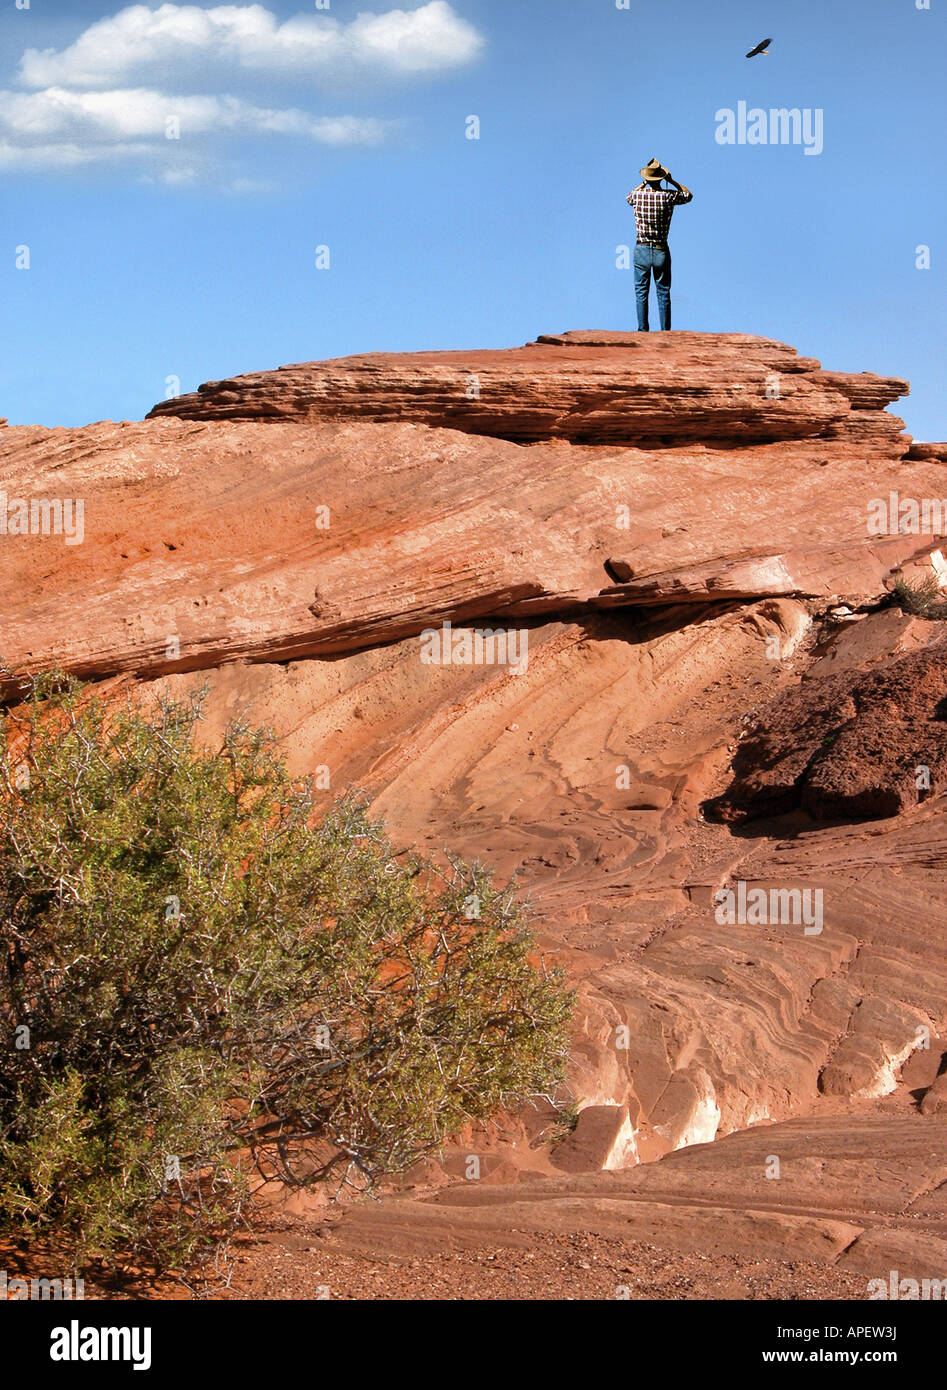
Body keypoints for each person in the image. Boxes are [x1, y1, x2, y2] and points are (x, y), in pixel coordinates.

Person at [626, 158, 693, 332]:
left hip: (641, 248)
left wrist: (643, 183)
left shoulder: (638, 195)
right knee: (663, 292)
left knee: (641, 292)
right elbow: (688, 195)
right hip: (661, 249)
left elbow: (628, 197)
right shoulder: (668, 196)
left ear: (647, 178)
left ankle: (642, 330)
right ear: (661, 178)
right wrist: (671, 180)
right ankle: (665, 332)